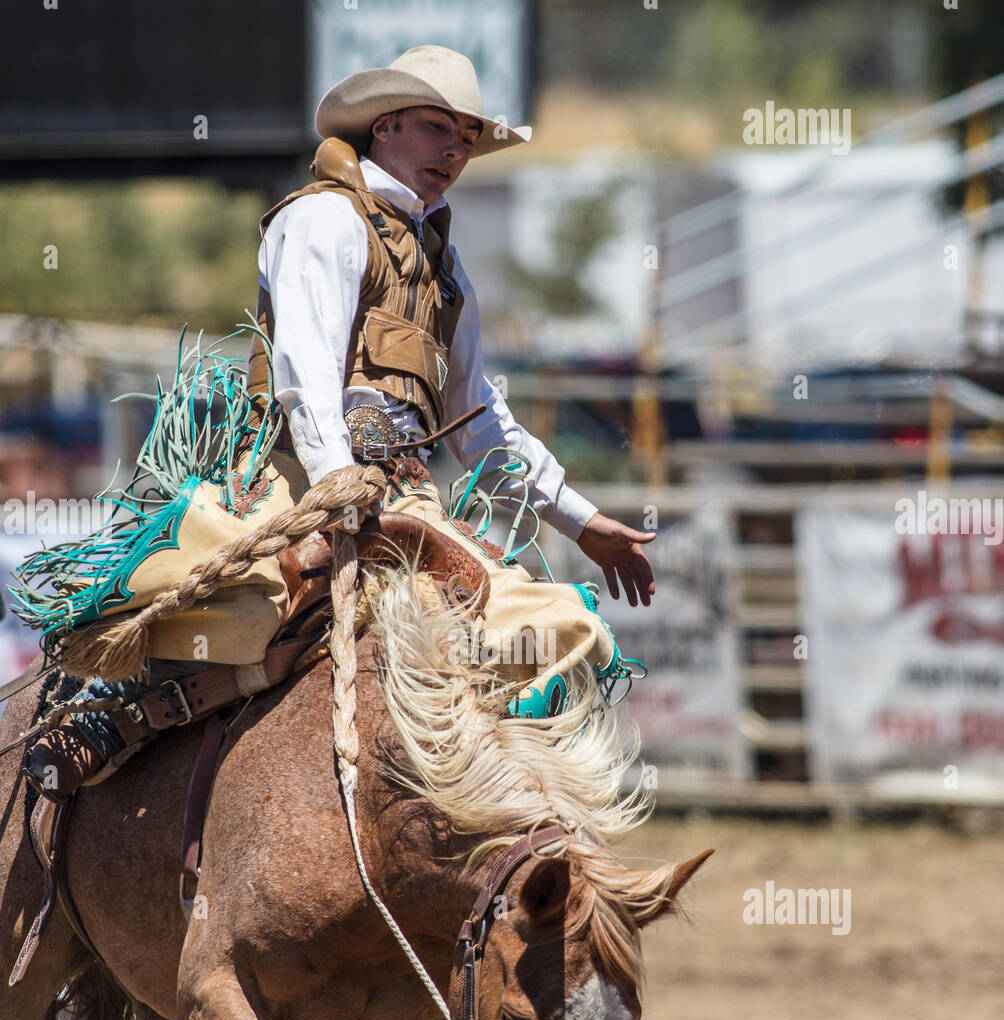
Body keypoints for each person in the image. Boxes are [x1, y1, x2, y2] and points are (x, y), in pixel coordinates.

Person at [25, 45, 655, 803]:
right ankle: (114, 708)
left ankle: (485, 809)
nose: (454, 149)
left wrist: (581, 521)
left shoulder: (447, 276)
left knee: (557, 630)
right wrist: (336, 491)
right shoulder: (324, 217)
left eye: (465, 136)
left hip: (403, 497)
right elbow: (305, 374)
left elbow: (482, 425)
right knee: (247, 596)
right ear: (384, 126)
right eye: (436, 127)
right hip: (294, 476)